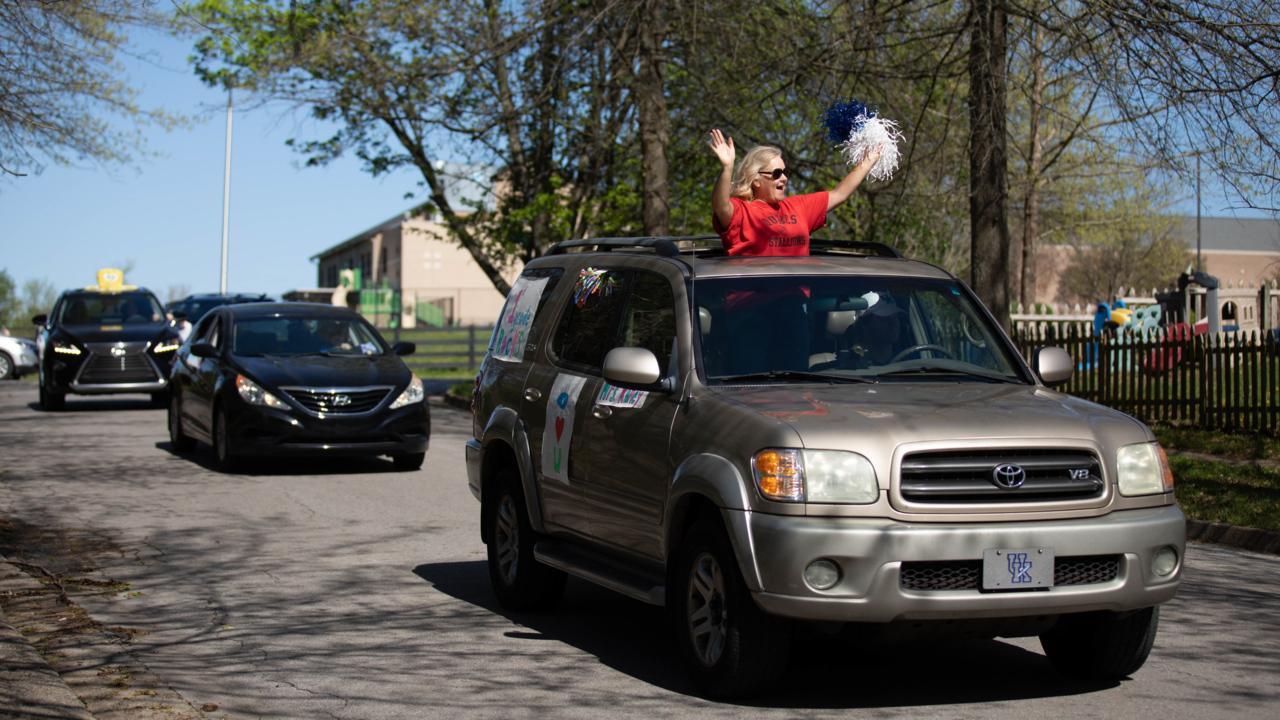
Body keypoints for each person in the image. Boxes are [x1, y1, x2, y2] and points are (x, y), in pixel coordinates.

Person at [707, 129, 881, 256]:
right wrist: (727, 167)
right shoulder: (742, 210)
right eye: (776, 173)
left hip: (797, 295)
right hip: (753, 295)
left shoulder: (798, 207)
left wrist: (868, 160)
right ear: (756, 180)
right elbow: (721, 207)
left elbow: (839, 194)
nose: (784, 178)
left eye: (785, 172)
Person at [843, 292, 906, 367]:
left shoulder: (910, 358)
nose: (894, 324)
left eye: (895, 318)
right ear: (863, 323)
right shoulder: (853, 365)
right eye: (885, 319)